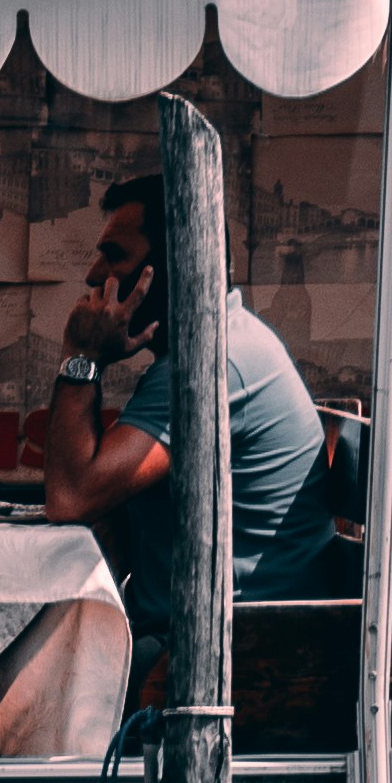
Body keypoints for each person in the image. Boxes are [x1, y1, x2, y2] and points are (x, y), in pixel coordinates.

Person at [45, 176, 341, 598]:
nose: (95, 277)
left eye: (114, 257)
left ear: (173, 264)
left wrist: (82, 355)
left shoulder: (209, 364)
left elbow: (70, 498)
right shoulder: (218, 341)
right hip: (203, 633)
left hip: (227, 650)